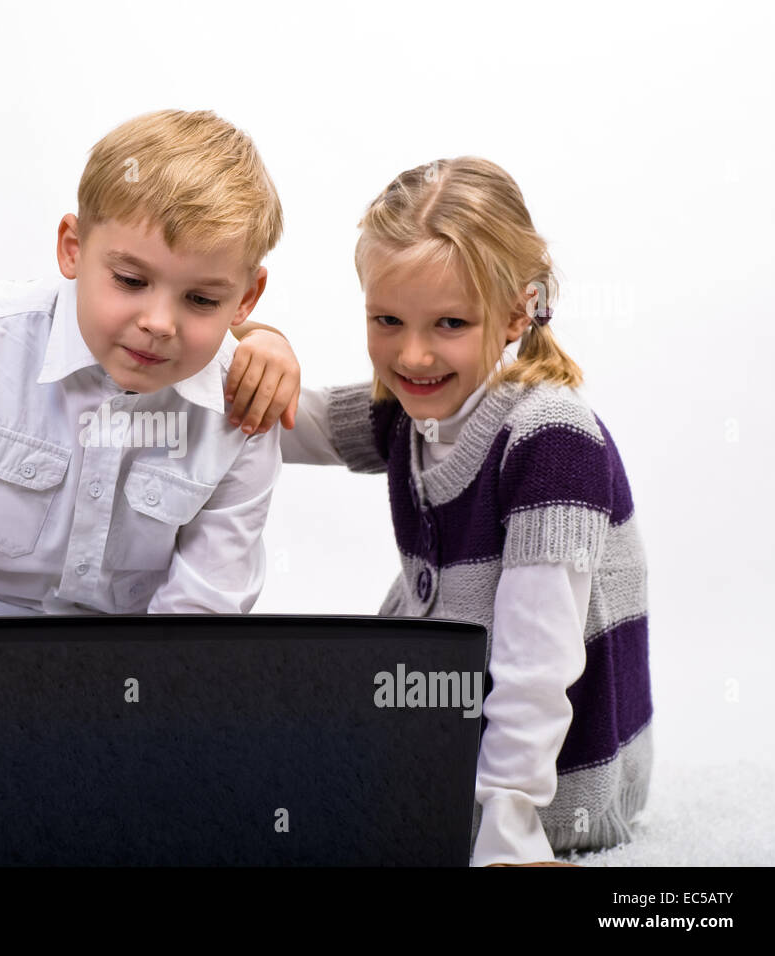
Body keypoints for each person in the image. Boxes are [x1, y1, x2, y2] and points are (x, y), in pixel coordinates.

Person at [280, 157, 652, 866]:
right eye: (386, 320)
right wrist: (254, 354)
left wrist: (509, 827)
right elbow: (288, 420)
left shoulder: (551, 436)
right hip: (442, 723)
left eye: (449, 323)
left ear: (518, 311)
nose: (412, 354)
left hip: (555, 787)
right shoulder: (413, 407)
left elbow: (534, 665)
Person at [0, 109, 293, 620]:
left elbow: (203, 607)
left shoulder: (243, 409)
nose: (159, 323)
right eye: (130, 281)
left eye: (200, 300)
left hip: (132, 680)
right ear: (73, 249)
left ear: (247, 298)